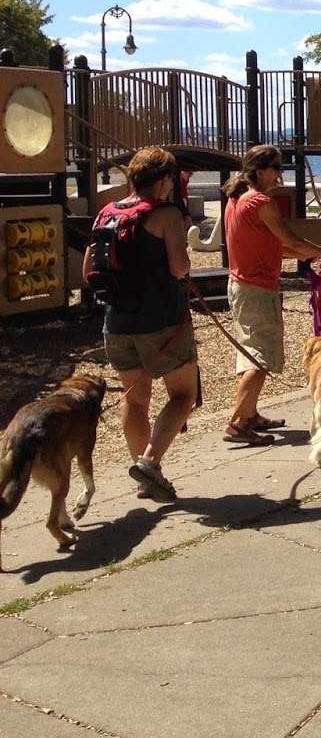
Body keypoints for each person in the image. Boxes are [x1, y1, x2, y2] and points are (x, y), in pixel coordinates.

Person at [88, 147, 198, 501]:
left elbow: (87, 271)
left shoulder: (106, 213)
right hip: (161, 320)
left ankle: (147, 477)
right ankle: (150, 462)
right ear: (164, 179)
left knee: (135, 400)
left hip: (117, 322)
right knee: (183, 394)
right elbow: (180, 268)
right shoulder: (164, 213)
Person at [223, 144, 321, 444]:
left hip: (241, 286)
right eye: (277, 167)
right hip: (256, 289)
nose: (281, 173)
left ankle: (250, 414)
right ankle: (237, 424)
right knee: (261, 357)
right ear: (259, 171)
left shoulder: (236, 198)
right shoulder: (260, 202)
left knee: (251, 353)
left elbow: (277, 246)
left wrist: (314, 255)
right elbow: (290, 239)